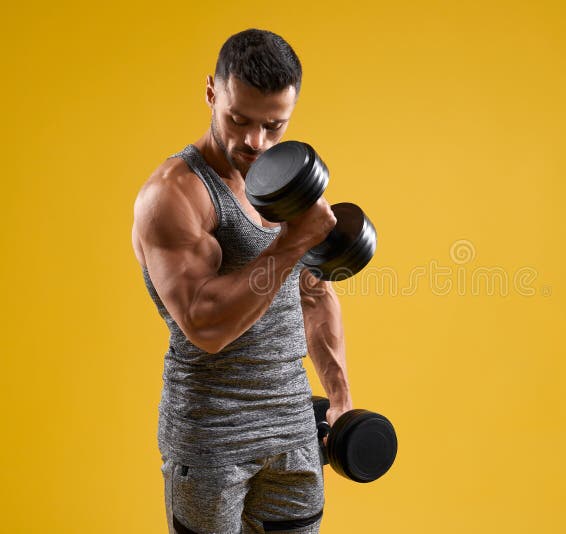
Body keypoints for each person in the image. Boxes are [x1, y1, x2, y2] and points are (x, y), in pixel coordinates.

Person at [131, 29, 351, 534]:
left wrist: (339, 399)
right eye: (239, 120)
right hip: (211, 437)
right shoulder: (174, 195)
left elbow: (315, 291)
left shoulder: (286, 183)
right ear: (212, 92)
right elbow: (205, 327)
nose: (256, 142)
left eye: (275, 125)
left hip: (294, 427)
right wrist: (292, 243)